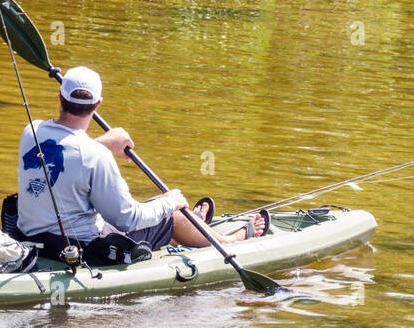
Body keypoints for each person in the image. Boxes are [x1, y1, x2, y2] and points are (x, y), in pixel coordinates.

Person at [14, 66, 267, 263]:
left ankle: (196, 228)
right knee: (171, 215)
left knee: (140, 206)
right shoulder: (95, 156)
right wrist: (170, 201)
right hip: (83, 248)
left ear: (60, 98)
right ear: (98, 104)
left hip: (36, 240)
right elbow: (128, 220)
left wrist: (103, 143)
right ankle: (228, 240)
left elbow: (67, 154)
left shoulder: (31, 132)